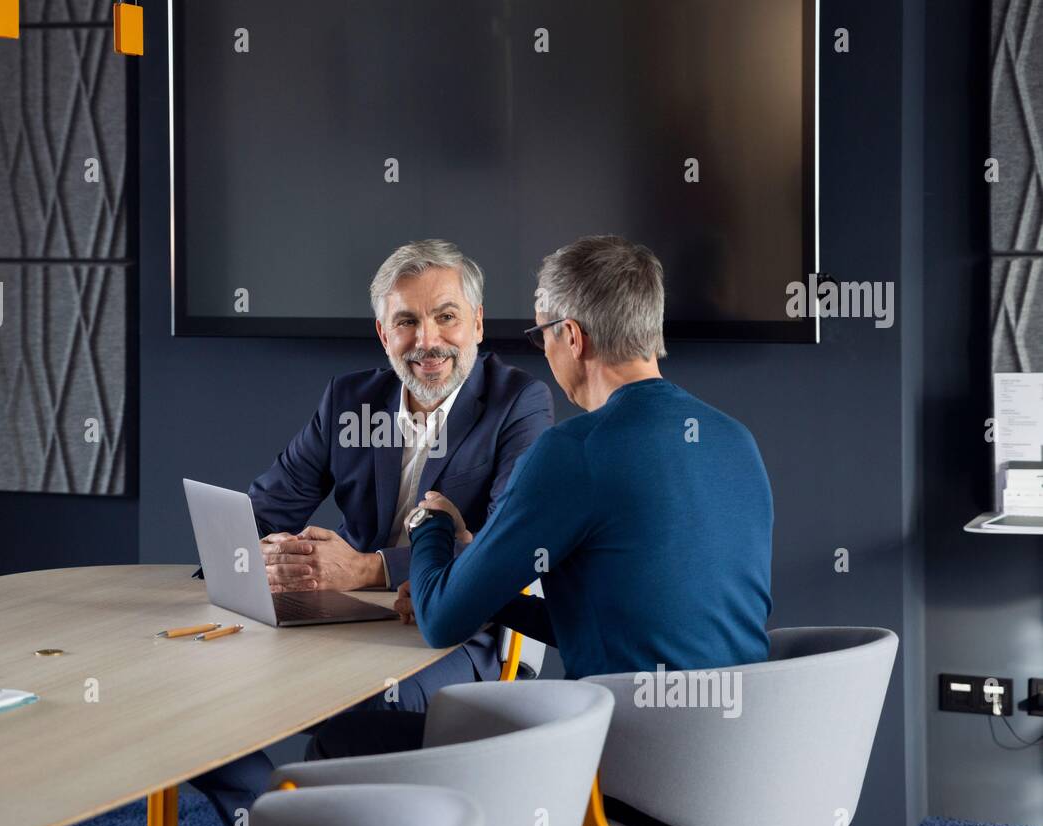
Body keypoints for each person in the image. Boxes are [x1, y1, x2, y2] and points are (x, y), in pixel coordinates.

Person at [308, 234, 773, 762]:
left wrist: (430, 523)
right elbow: (628, 625)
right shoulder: (736, 440)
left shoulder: (575, 451)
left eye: (541, 335)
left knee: (340, 740)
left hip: (628, 762)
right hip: (740, 760)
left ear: (570, 336)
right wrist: (484, 593)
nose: (544, 352)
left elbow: (438, 623)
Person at [189, 239, 553, 826]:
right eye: (406, 322)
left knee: (363, 713)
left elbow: (503, 550)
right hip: (346, 619)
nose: (427, 340)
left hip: (469, 629)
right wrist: (257, 556)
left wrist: (368, 568)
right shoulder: (348, 400)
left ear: (478, 324)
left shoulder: (518, 402)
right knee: (197, 703)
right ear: (384, 335)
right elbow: (266, 509)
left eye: (446, 316)